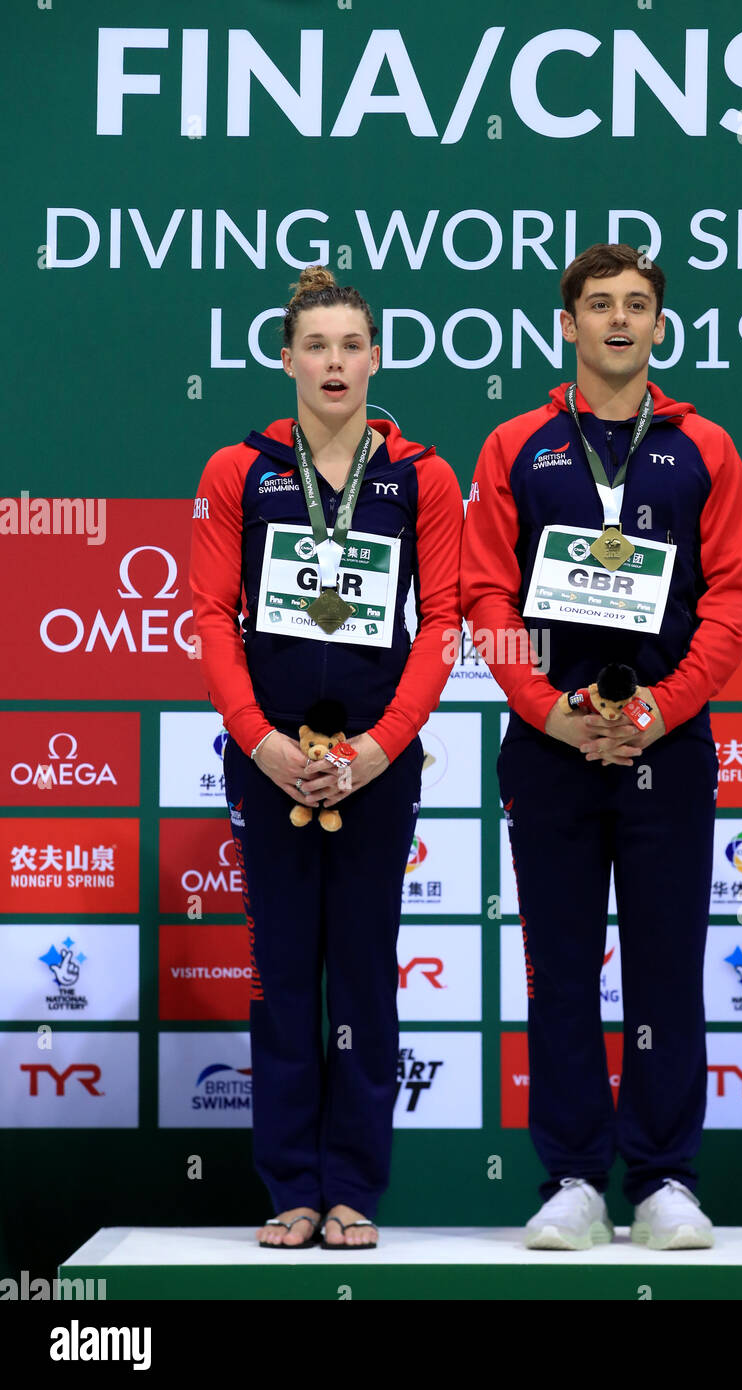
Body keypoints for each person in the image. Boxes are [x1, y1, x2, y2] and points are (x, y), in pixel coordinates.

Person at [461, 243, 742, 1250]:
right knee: (560, 965)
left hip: (666, 745)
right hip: (548, 747)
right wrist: (548, 709)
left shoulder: (704, 446)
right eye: (600, 305)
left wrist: (660, 709)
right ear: (569, 325)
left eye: (638, 305)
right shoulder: (517, 446)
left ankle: (665, 1177)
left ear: (660, 326)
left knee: (666, 966)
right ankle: (575, 1179)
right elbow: (485, 596)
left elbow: (732, 598)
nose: (620, 321)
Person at [190, 266, 463, 1249]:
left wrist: (382, 748)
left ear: (376, 357)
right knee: (284, 972)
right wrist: (259, 742)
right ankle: (290, 1187)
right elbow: (211, 620)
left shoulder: (420, 473)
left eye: (353, 345)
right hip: (268, 758)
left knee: (363, 974)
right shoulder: (240, 469)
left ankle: (353, 1186)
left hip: (376, 767)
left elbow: (443, 628)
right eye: (317, 345)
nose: (336, 362)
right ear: (286, 358)